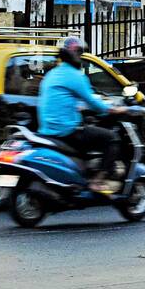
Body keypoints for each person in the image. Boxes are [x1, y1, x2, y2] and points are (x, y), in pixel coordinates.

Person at [37, 37, 126, 193]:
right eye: (79, 52)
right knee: (112, 138)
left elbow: (67, 99)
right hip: (67, 130)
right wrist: (114, 109)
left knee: (88, 127)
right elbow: (94, 102)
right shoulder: (76, 76)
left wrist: (77, 107)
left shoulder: (51, 74)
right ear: (73, 54)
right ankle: (98, 181)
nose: (80, 56)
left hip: (47, 130)